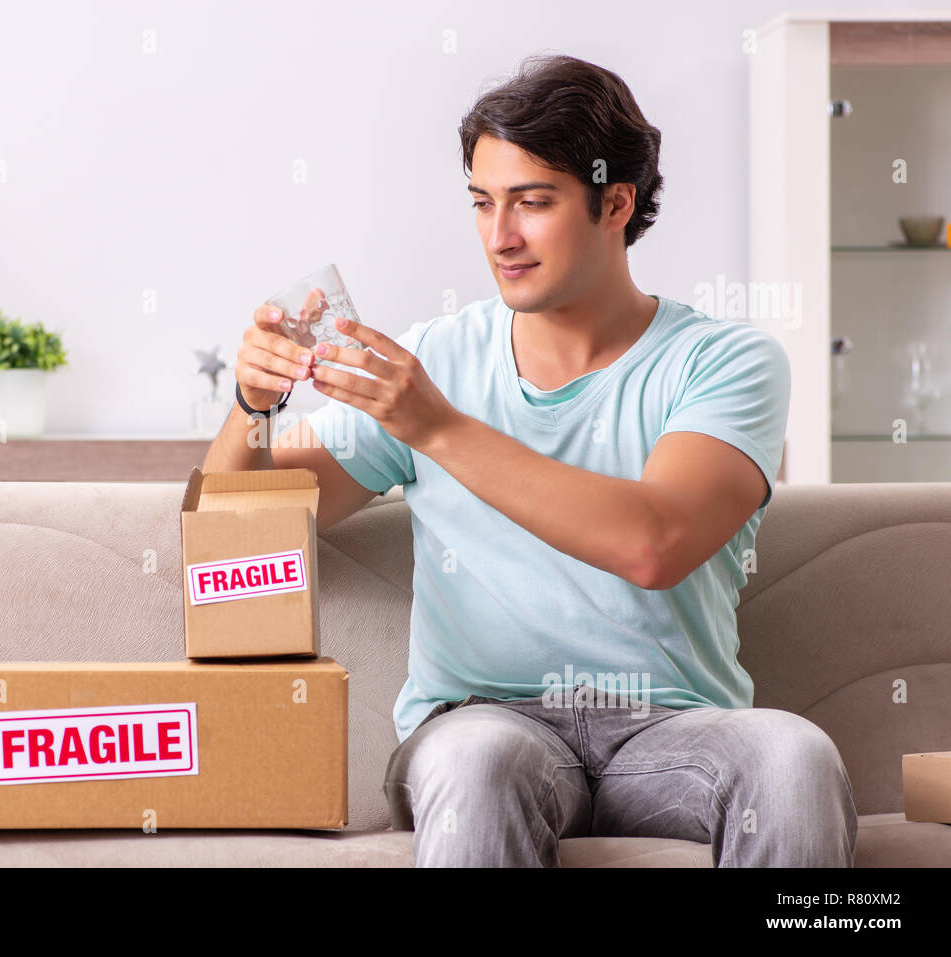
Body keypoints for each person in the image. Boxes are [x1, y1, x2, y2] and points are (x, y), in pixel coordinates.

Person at [203, 52, 857, 867]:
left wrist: (437, 429)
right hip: (481, 723)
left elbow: (655, 541)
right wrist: (252, 406)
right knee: (481, 762)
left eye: (532, 203)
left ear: (614, 203)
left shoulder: (725, 363)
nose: (500, 237)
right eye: (483, 203)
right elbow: (239, 529)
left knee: (793, 757)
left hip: (672, 733)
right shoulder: (434, 359)